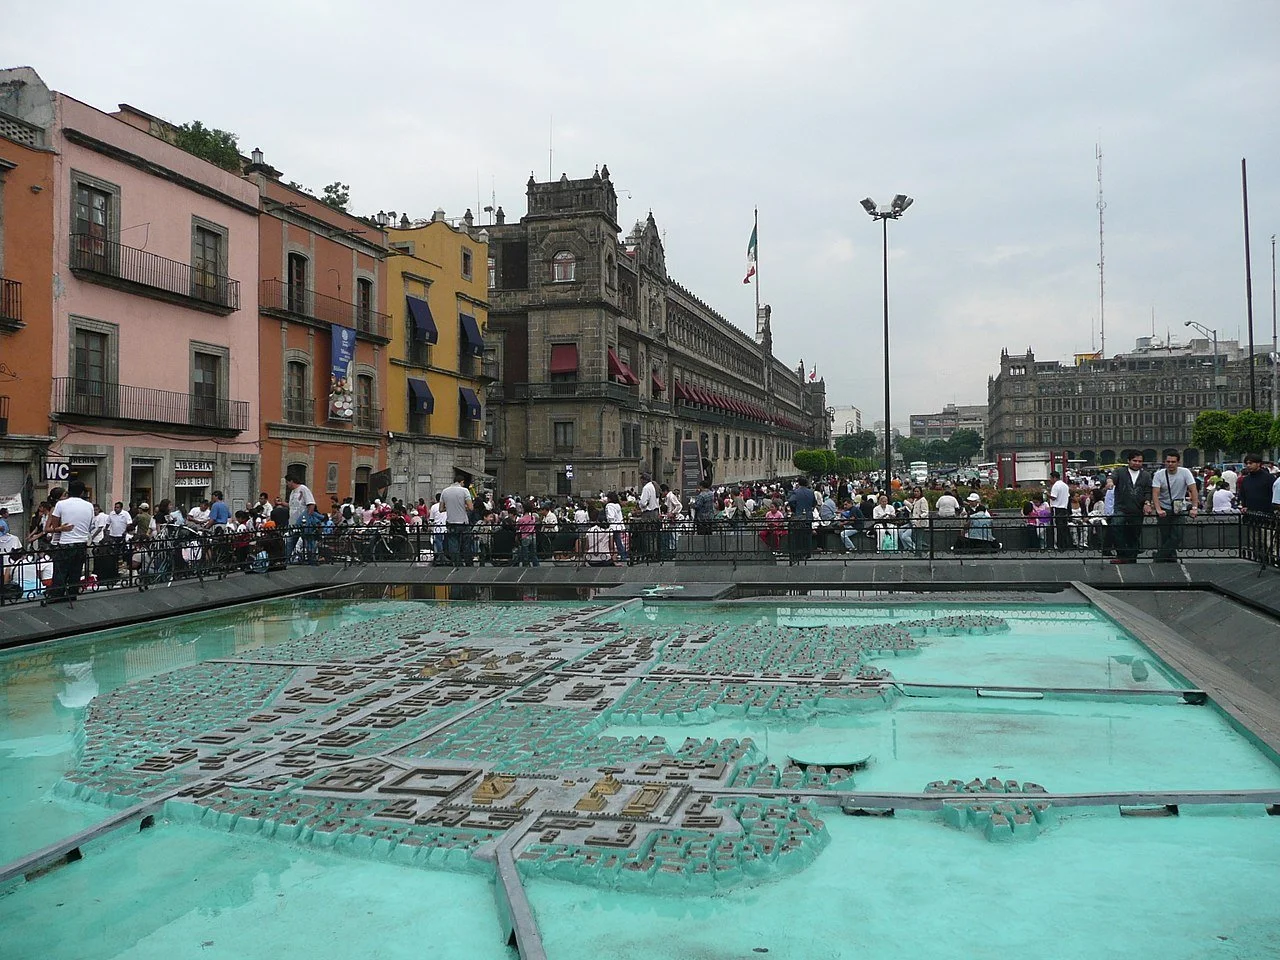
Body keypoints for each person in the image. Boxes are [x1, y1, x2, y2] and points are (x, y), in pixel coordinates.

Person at [44, 479, 94, 603]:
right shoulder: (89, 506)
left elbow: (55, 526)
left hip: (66, 542)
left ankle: (57, 595)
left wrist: (62, 527)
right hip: (82, 542)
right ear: (82, 492)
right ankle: (72, 594)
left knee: (61, 570)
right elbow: (90, 525)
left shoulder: (61, 505)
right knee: (75, 571)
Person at [1151, 452, 1199, 562]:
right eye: (1168, 461)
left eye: (1173, 462)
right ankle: (1171, 558)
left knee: (1177, 535)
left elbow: (1193, 489)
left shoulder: (1185, 472)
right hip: (1164, 507)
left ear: (1178, 462)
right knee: (1165, 535)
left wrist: (1194, 507)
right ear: (1164, 462)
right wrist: (1158, 509)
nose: (1170, 464)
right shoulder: (1159, 474)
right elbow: (1155, 493)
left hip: (1179, 507)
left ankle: (1159, 556)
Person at [1110, 454, 1152, 564]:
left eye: (1140, 461)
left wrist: (1147, 503)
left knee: (1135, 533)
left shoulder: (1146, 475)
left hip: (1137, 508)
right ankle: (1122, 554)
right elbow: (1112, 478)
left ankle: (1132, 557)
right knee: (1116, 525)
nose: (1137, 463)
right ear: (1128, 460)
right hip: (1121, 507)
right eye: (1134, 461)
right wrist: (1110, 481)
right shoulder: (1120, 472)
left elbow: (1148, 491)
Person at [439, 474, 474, 566]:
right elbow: (471, 507)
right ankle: (468, 563)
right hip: (463, 522)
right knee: (466, 544)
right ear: (461, 481)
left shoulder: (444, 491)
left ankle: (457, 563)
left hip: (451, 522)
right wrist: (463, 507)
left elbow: (441, 509)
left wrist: (450, 508)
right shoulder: (464, 491)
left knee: (453, 544)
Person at [785, 476, 818, 560]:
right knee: (808, 534)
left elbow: (791, 501)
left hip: (799, 515)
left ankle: (800, 552)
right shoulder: (811, 492)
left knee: (798, 535)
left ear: (798, 483)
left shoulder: (796, 492)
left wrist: (794, 508)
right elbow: (814, 503)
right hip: (808, 515)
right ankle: (808, 553)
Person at [285, 476, 315, 561]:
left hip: (302, 522)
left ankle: (311, 559)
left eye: (287, 482)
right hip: (292, 523)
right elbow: (292, 506)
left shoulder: (304, 489)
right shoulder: (292, 492)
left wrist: (307, 518)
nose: (287, 485)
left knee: (306, 542)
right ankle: (287, 560)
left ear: (291, 481)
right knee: (289, 543)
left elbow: (311, 504)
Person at [1048, 471, 1071, 550]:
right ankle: (1064, 544)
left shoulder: (1055, 486)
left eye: (1051, 478)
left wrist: (1046, 494)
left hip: (1056, 508)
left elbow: (1054, 497)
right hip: (1064, 508)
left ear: (1054, 478)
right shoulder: (1065, 486)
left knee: (1056, 528)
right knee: (1063, 527)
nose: (1050, 480)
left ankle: (1057, 545)